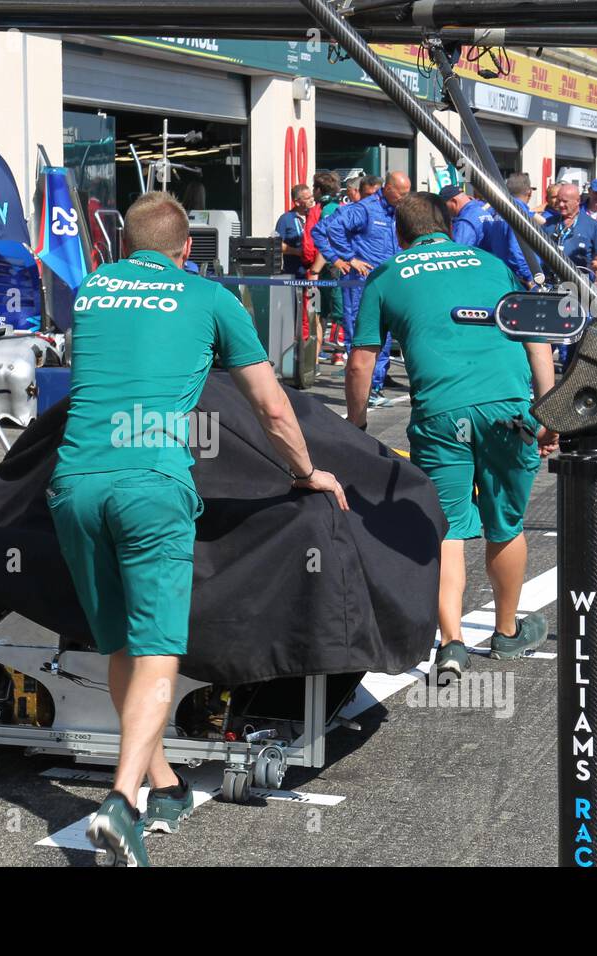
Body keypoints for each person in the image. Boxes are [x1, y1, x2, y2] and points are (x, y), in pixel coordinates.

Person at [49, 192, 348, 865]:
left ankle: (163, 783)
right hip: (150, 483)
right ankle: (121, 801)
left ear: (124, 247)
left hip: (74, 485)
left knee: (123, 643)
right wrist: (307, 473)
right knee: (158, 645)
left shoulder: (92, 290)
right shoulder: (210, 298)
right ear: (188, 251)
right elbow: (271, 407)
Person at [344, 192, 555, 681]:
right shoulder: (494, 264)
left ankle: (452, 644)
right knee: (506, 523)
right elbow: (536, 338)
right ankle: (505, 634)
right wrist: (550, 411)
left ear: (399, 234)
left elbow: (360, 362)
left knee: (450, 527)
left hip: (441, 414)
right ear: (448, 225)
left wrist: (356, 422)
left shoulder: (386, 275)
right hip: (509, 409)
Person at [316, 170, 410, 407]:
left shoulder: (399, 211)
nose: (405, 198)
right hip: (362, 284)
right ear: (388, 188)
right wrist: (344, 258)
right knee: (361, 336)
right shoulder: (365, 209)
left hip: (390, 282)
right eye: (401, 193)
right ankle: (363, 391)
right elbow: (326, 230)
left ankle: (375, 388)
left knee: (385, 336)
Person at [442, 184, 533, 287]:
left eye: (445, 206)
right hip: (500, 272)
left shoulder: (466, 223)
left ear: (453, 202)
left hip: (483, 277)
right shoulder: (483, 210)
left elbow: (455, 257)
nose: (445, 211)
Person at [303, 171, 344, 361]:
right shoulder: (335, 207)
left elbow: (326, 242)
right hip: (331, 271)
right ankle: (314, 360)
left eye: (314, 188)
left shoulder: (328, 210)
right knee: (320, 314)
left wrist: (314, 271)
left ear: (319, 189)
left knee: (332, 314)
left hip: (330, 272)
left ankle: (332, 357)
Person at [541, 183, 597, 285]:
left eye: (565, 201)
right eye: (559, 200)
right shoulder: (549, 223)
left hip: (580, 285)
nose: (560, 205)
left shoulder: (592, 225)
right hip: (551, 283)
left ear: (577, 201)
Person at [275, 184, 312, 278]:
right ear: (297, 202)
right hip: (294, 273)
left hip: (313, 272)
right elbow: (277, 244)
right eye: (307, 198)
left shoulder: (314, 216)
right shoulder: (285, 219)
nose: (312, 200)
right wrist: (297, 251)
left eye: (311, 196)